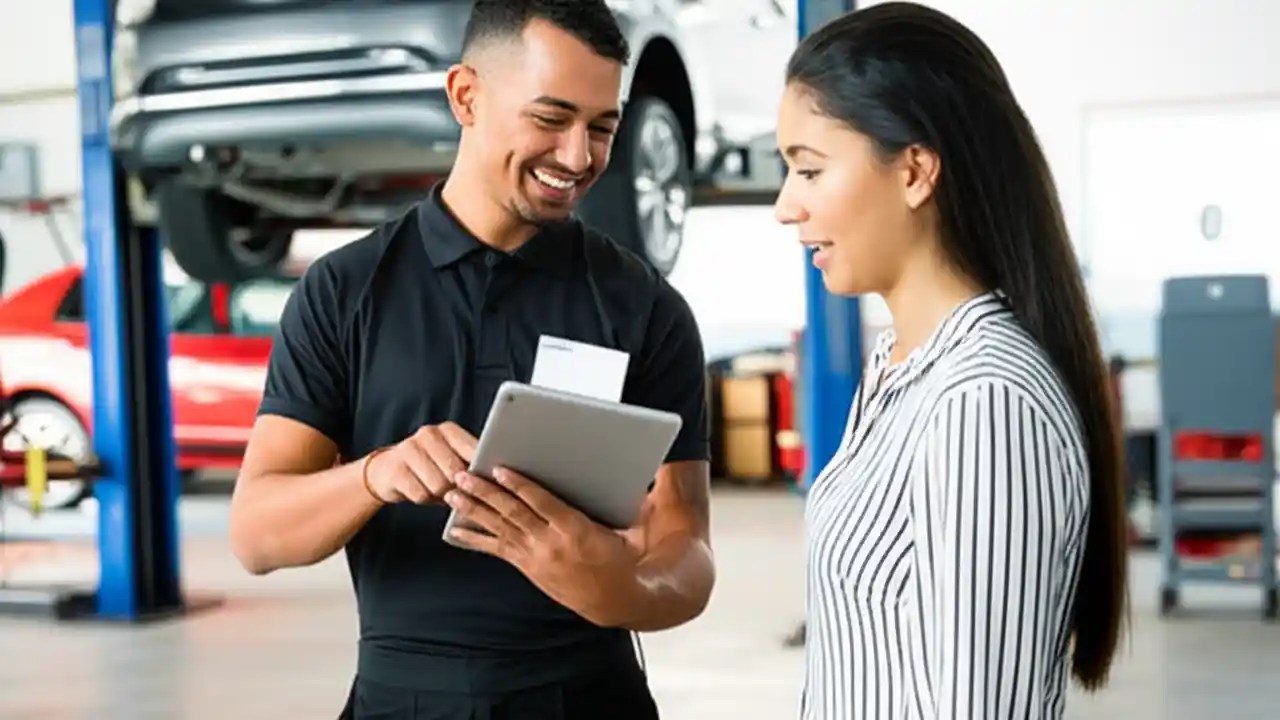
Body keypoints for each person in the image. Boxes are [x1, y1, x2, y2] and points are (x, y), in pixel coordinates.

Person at [227, 1, 715, 718]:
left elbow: (688, 547)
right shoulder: (345, 292)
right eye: (550, 119)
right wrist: (374, 475)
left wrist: (626, 592)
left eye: (601, 128)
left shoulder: (645, 308)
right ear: (465, 96)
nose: (578, 157)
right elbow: (256, 534)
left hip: (589, 697)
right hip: (403, 699)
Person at [773, 3, 1129, 719]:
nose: (787, 206)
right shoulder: (903, 370)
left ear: (914, 172)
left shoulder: (983, 401)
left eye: (809, 171)